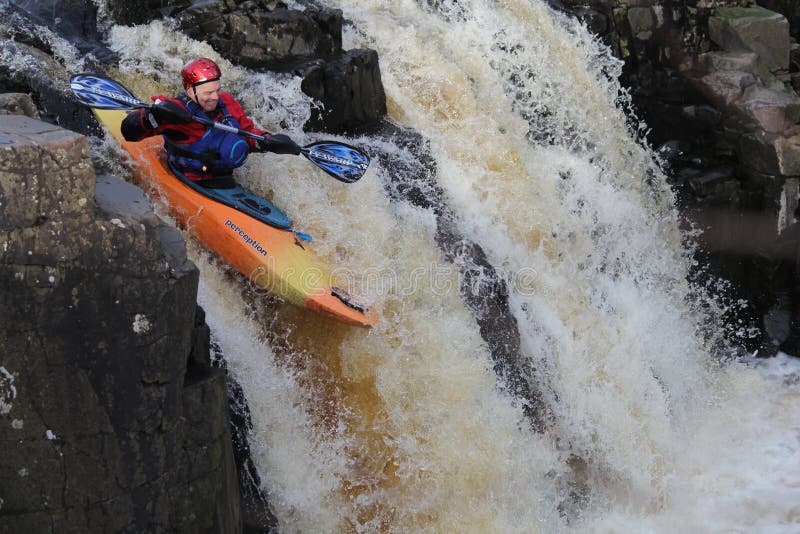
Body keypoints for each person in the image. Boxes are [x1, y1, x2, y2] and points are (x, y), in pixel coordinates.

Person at [120, 57, 300, 188]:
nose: (214, 97)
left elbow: (247, 133)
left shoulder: (226, 101)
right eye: (207, 93)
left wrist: (267, 141)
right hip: (189, 179)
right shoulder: (174, 111)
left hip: (223, 179)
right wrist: (154, 116)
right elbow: (128, 131)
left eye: (217, 90)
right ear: (190, 90)